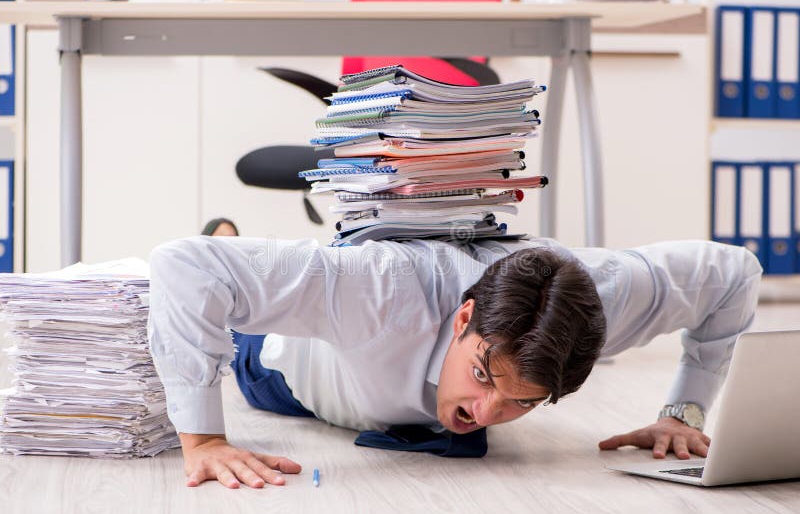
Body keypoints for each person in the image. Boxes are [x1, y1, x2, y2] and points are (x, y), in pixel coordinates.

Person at [147, 236, 762, 489]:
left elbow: (734, 272)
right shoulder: (379, 289)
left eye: (523, 402)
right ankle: (233, 228)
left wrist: (683, 410)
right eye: (484, 377)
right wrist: (203, 438)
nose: (487, 412)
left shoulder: (611, 300)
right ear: (464, 320)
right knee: (243, 317)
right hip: (282, 366)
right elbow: (185, 263)